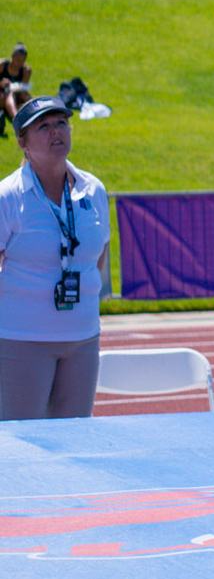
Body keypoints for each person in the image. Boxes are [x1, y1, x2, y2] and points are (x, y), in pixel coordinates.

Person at [0, 97, 112, 420]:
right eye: (44, 127)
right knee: (22, 445)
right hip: (22, 339)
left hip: (82, 338)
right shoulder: (8, 196)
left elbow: (97, 255)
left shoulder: (94, 190)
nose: (55, 132)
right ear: (22, 142)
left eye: (61, 123)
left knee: (73, 444)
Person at [1, 44, 31, 132]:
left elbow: (23, 90)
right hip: (2, 95)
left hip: (16, 96)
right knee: (9, 94)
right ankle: (16, 118)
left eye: (22, 61)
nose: (19, 63)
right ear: (12, 56)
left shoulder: (26, 71)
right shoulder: (2, 65)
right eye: (17, 60)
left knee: (26, 97)